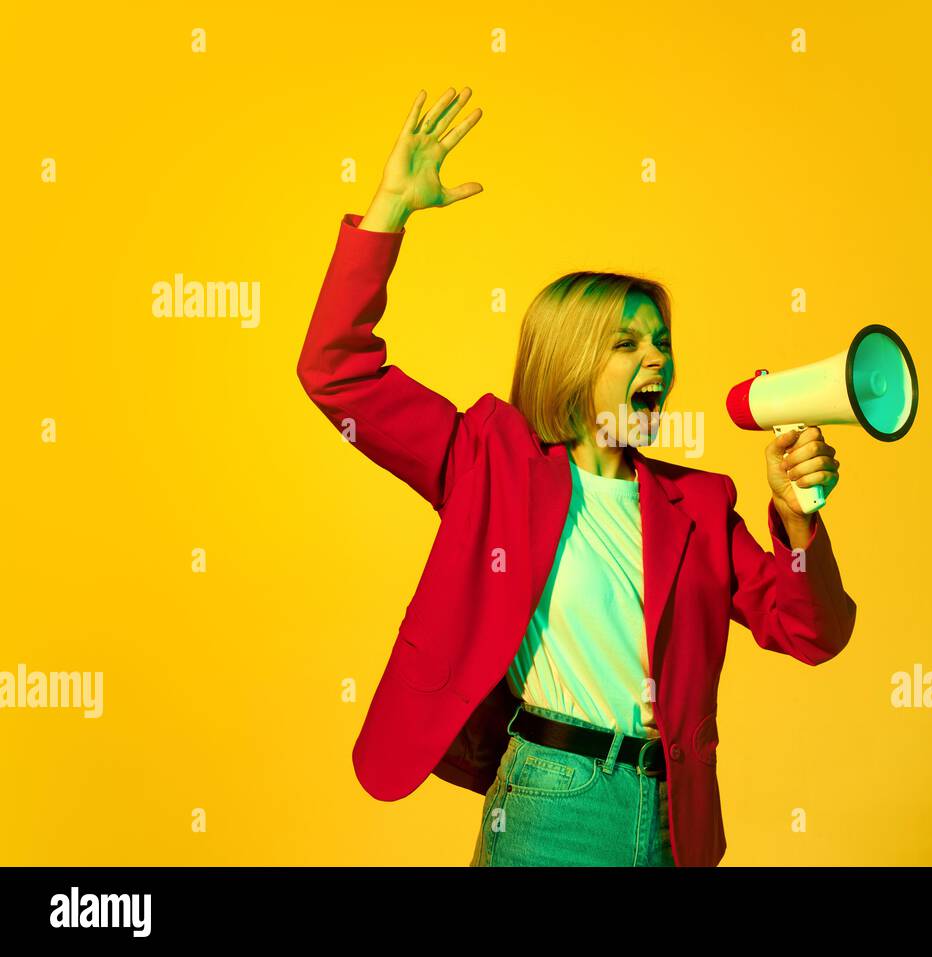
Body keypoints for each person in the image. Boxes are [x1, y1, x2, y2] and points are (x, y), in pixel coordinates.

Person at [296, 86, 858, 867]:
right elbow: (337, 373)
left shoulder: (698, 504)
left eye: (661, 342)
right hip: (549, 799)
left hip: (670, 817)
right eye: (627, 344)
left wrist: (799, 519)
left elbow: (813, 631)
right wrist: (389, 208)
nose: (658, 359)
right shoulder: (488, 458)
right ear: (569, 360)